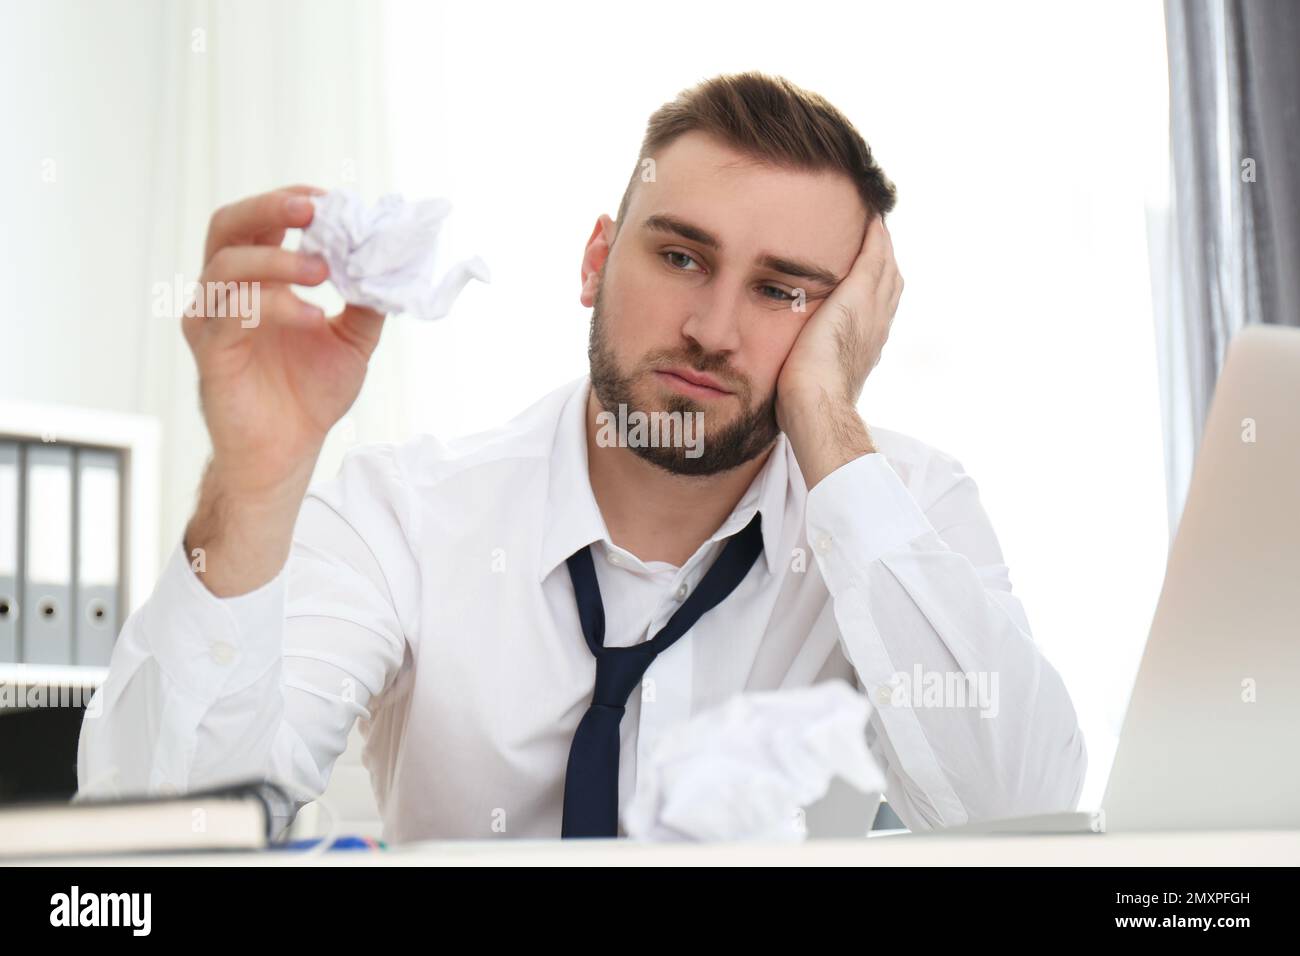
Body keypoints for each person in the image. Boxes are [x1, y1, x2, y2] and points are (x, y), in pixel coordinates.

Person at [77, 72, 1086, 841]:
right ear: (597, 258)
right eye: (680, 255)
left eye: (783, 290)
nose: (712, 328)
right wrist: (254, 484)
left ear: (848, 325)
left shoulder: (899, 512)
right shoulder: (405, 515)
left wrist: (826, 414)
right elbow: (154, 842)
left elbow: (1022, 816)